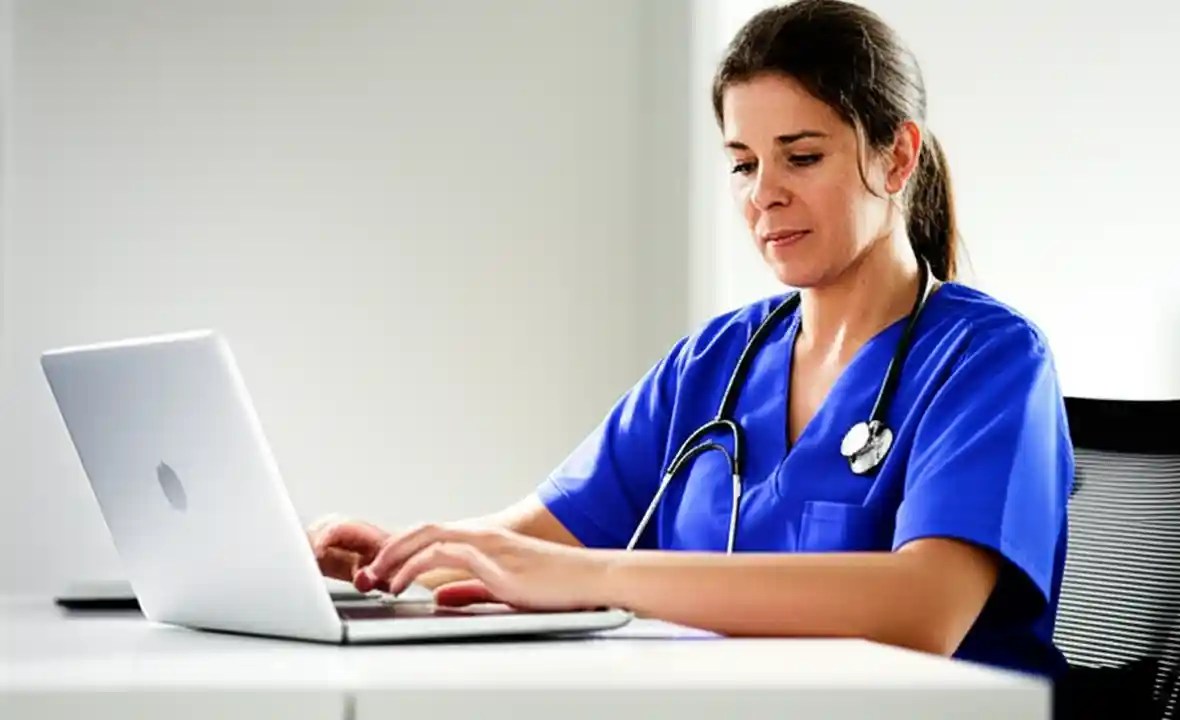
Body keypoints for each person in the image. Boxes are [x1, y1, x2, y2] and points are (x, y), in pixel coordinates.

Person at [310, 0, 1073, 682]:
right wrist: (394, 557)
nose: (763, 193)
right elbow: (530, 546)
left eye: (802, 157)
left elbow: (924, 610)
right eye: (743, 164)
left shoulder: (987, 358)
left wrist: (593, 577)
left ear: (896, 156)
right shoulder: (716, 363)